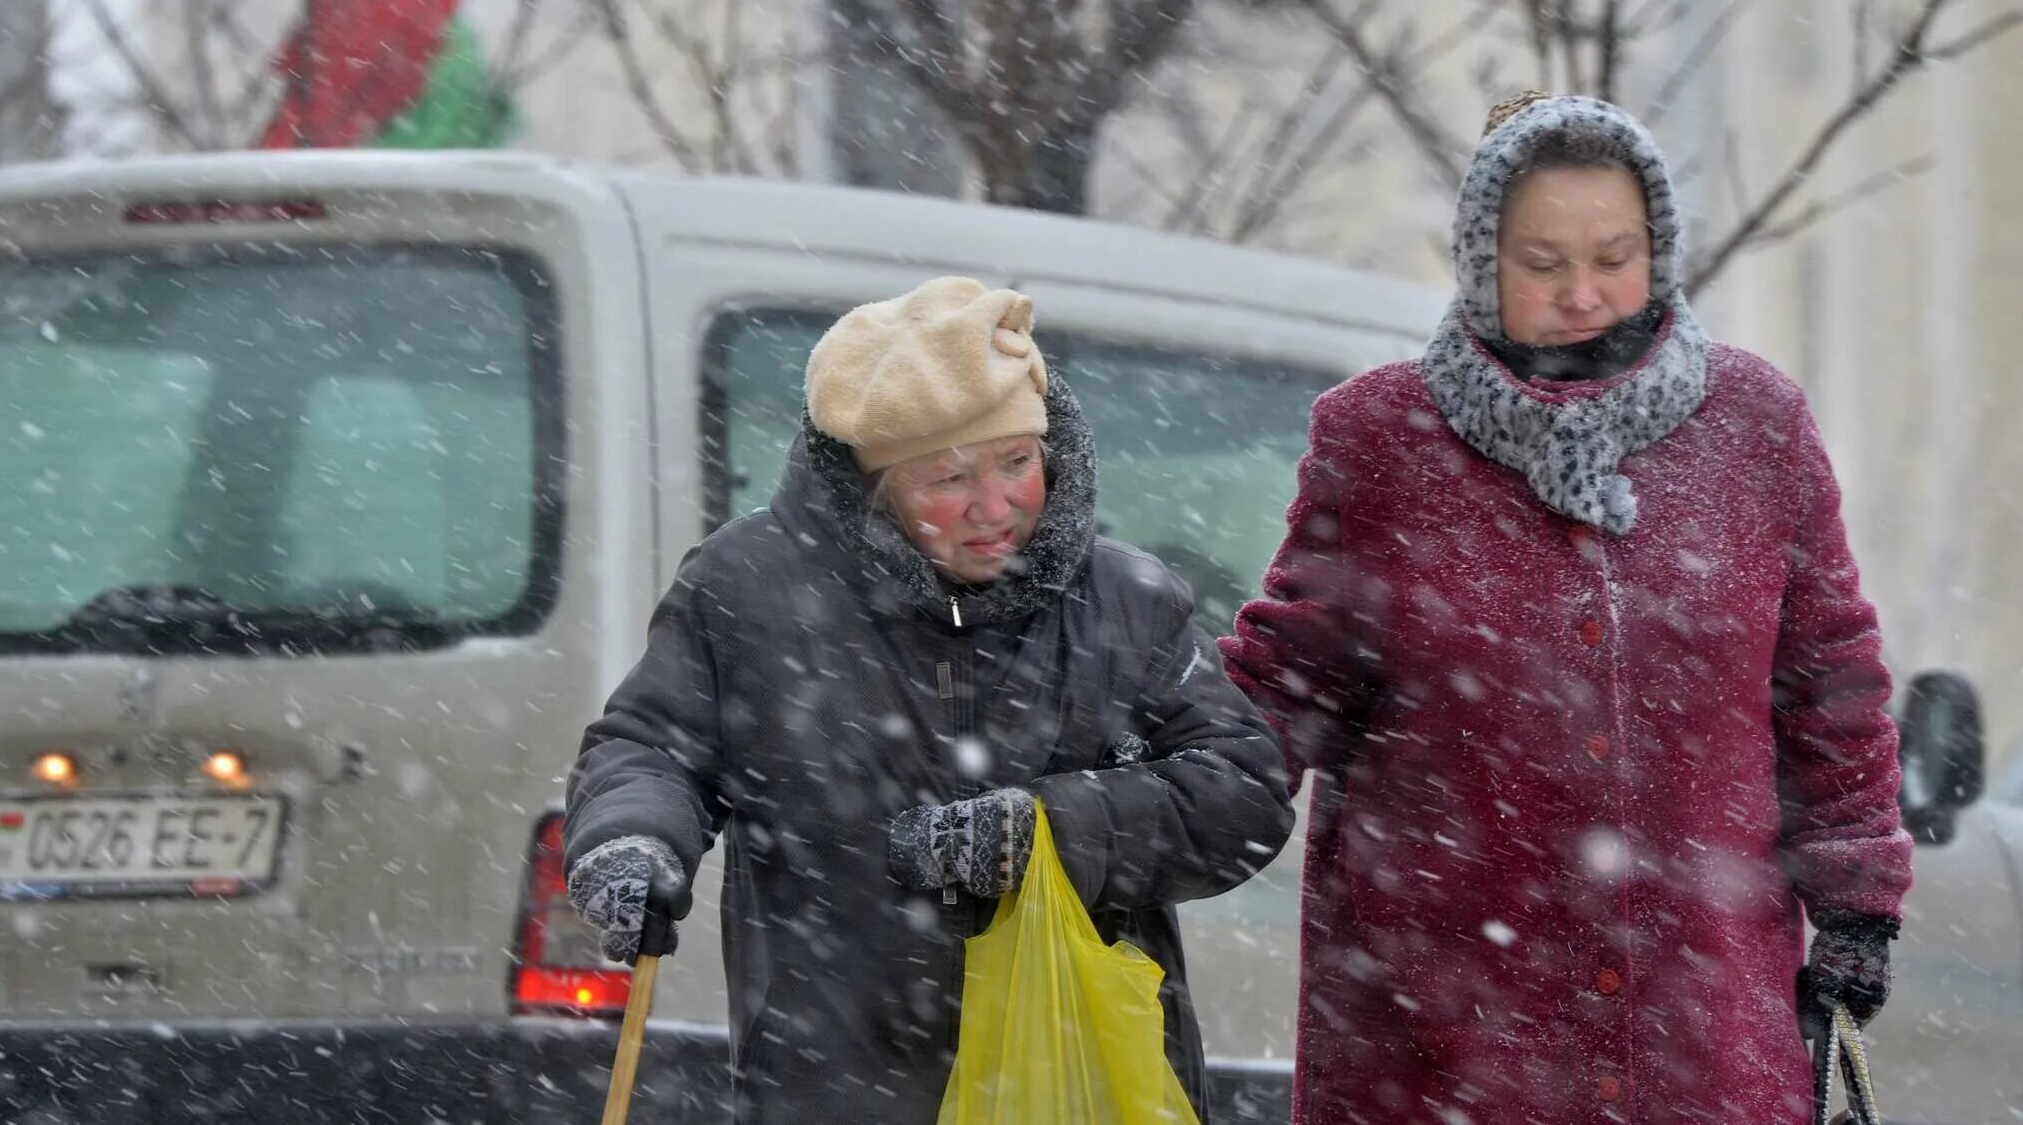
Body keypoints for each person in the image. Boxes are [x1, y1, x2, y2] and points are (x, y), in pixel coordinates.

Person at [1220, 92, 1910, 1123]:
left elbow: (1828, 679)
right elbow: (1280, 693)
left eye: (1613, 256)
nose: (1582, 293)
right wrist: (1137, 806)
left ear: (1658, 250)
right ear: (1481, 262)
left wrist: (1855, 905)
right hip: (1440, 1035)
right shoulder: (1382, 442)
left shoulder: (1754, 429)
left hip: (1701, 1032)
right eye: (1542, 264)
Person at [563, 276, 1294, 1124]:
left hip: (1080, 1075)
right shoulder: (749, 589)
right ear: (870, 489)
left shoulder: (1126, 601)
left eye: (1017, 463)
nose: (995, 508)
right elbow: (652, 748)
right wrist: (632, 839)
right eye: (947, 479)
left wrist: (1052, 831)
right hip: (836, 1080)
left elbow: (1241, 793)